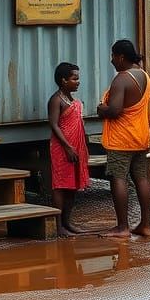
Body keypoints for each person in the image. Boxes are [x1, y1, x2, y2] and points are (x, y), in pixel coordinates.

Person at [96, 39, 150, 239]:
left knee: (118, 178)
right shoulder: (143, 75)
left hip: (122, 139)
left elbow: (114, 110)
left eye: (113, 56)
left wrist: (100, 109)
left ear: (121, 57)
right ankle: (145, 225)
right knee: (142, 178)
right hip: (140, 136)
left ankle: (122, 227)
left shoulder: (122, 78)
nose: (112, 60)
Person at [47, 62, 90, 236]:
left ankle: (67, 222)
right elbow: (54, 125)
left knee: (73, 186)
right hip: (62, 148)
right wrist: (67, 147)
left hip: (76, 147)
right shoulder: (56, 100)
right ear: (63, 80)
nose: (78, 82)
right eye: (75, 78)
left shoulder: (74, 101)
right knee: (60, 185)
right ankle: (58, 227)